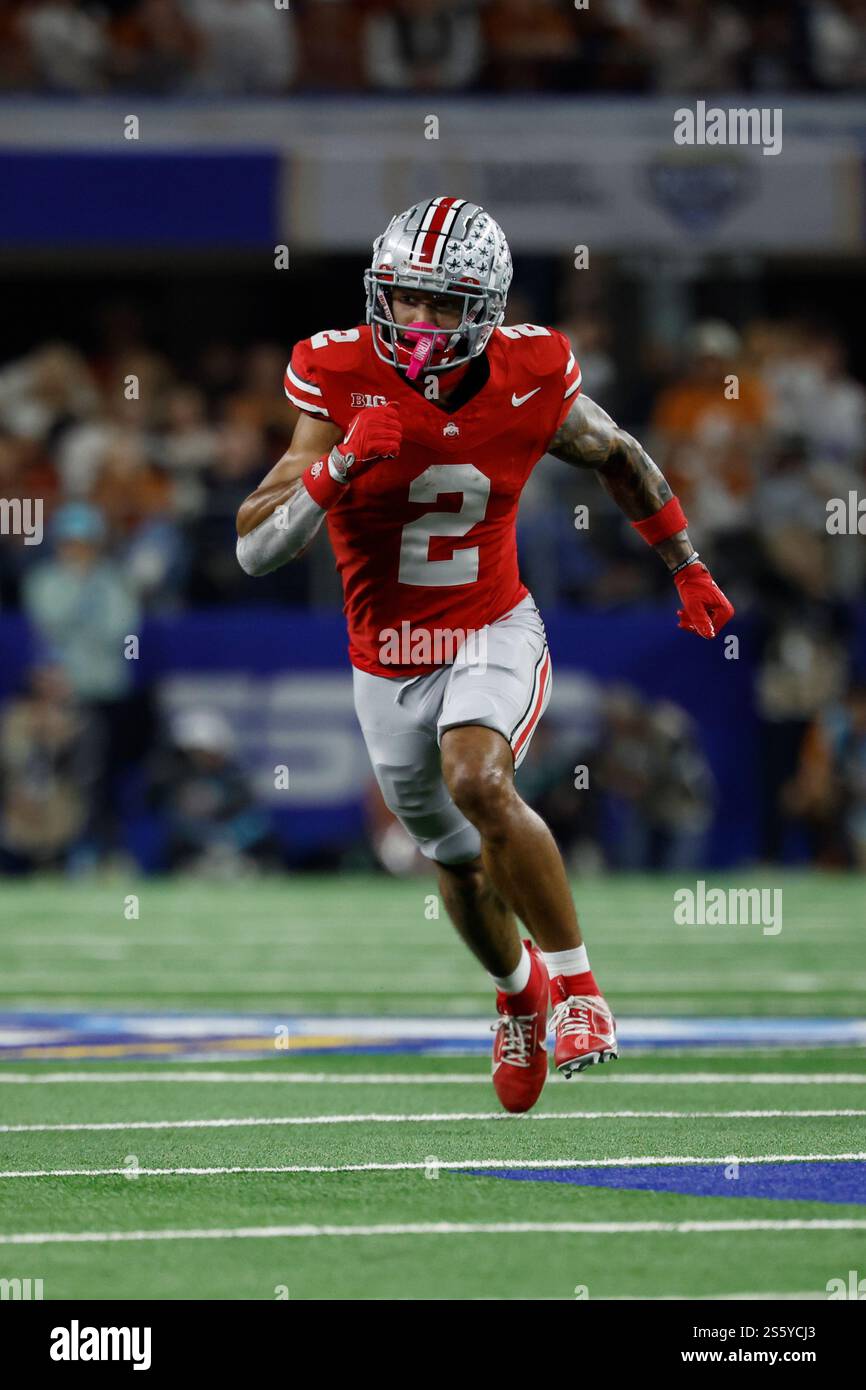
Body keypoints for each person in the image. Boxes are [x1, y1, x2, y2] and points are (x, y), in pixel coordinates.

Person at [235, 196, 734, 1113]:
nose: (419, 321)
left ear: (490, 308)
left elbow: (614, 453)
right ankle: (518, 995)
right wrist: (335, 466)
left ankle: (580, 992)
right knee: (455, 863)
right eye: (405, 298)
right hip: (384, 655)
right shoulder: (338, 370)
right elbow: (255, 546)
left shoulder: (534, 369)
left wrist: (685, 564)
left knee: (479, 781)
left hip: (489, 624)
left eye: (443, 302)